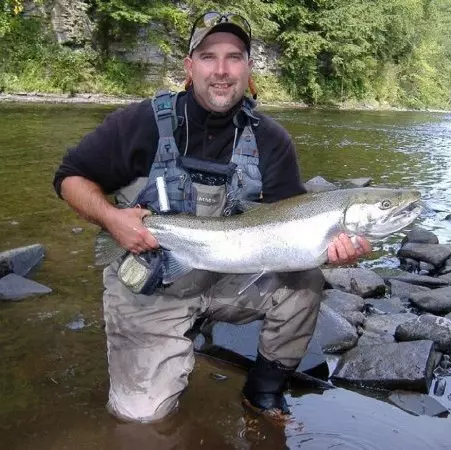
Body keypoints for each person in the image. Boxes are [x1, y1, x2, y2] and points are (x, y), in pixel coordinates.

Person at [53, 11, 371, 423]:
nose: (221, 70)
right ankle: (174, 336)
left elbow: (295, 227)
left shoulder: (271, 140)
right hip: (153, 278)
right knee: (141, 419)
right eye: (208, 56)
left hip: (230, 277)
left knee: (306, 278)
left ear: (249, 67)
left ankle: (264, 391)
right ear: (189, 67)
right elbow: (69, 178)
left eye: (234, 57)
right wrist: (112, 220)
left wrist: (329, 251)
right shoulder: (141, 122)